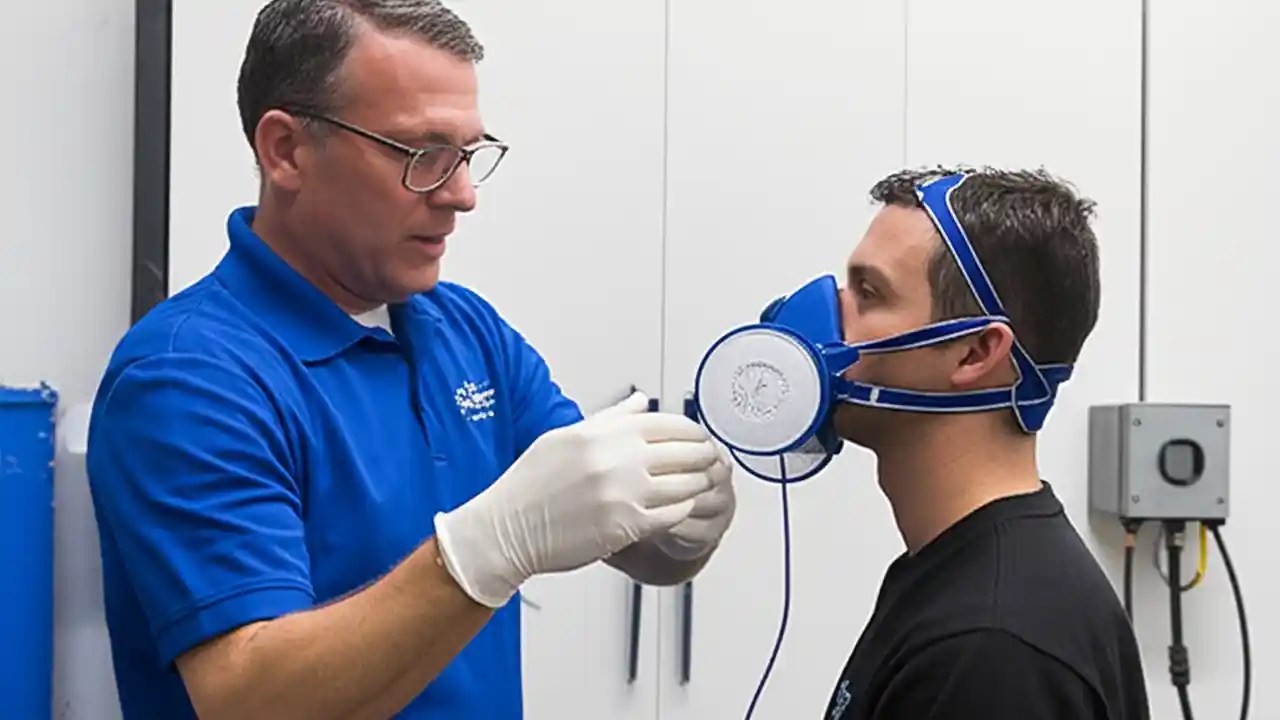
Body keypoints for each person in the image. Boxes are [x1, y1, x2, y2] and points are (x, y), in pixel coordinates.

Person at [84, 2, 735, 718]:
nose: (462, 194)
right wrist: (482, 552)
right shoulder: (188, 379)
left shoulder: (465, 330)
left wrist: (674, 528)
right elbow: (248, 696)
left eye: (468, 153)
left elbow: (604, 520)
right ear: (286, 151)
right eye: (421, 154)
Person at [811, 167, 1150, 718]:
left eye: (869, 293)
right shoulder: (959, 577)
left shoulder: (991, 647)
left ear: (974, 353)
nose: (832, 312)